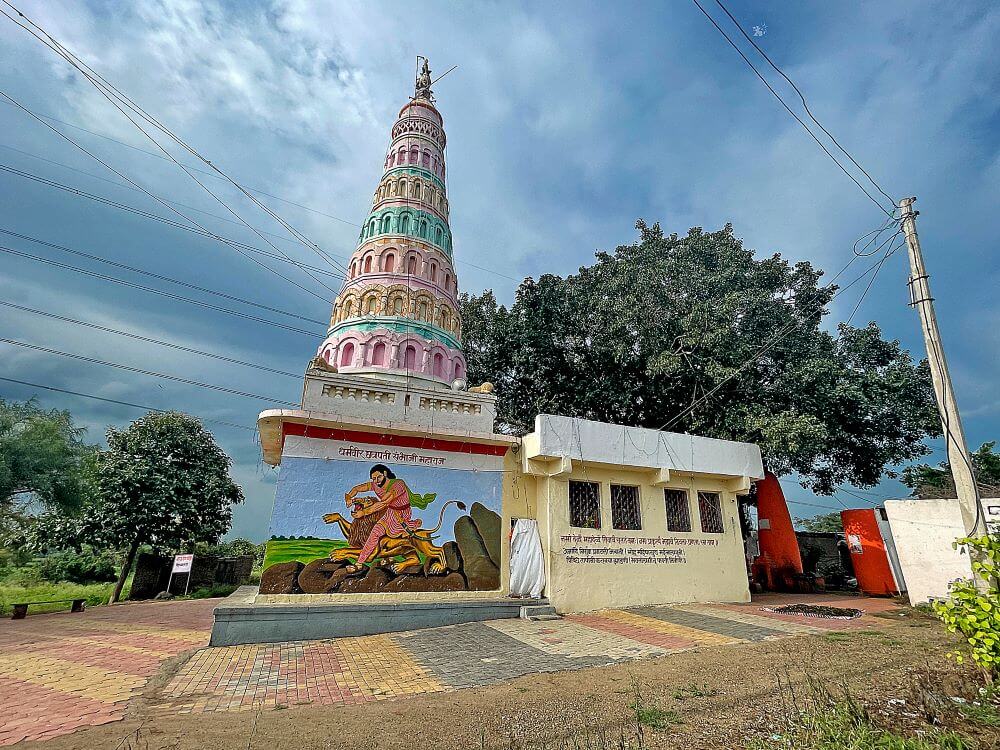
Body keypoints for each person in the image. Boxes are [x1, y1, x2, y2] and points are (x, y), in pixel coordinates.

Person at [343, 464, 421, 573]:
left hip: (401, 515)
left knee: (380, 532)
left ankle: (386, 557)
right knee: (375, 532)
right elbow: (357, 489)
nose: (376, 481)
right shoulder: (375, 484)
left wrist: (364, 512)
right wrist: (349, 497)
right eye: (373, 479)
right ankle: (360, 563)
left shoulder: (398, 484)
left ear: (384, 474)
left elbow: (384, 502)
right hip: (389, 513)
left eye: (378, 477)